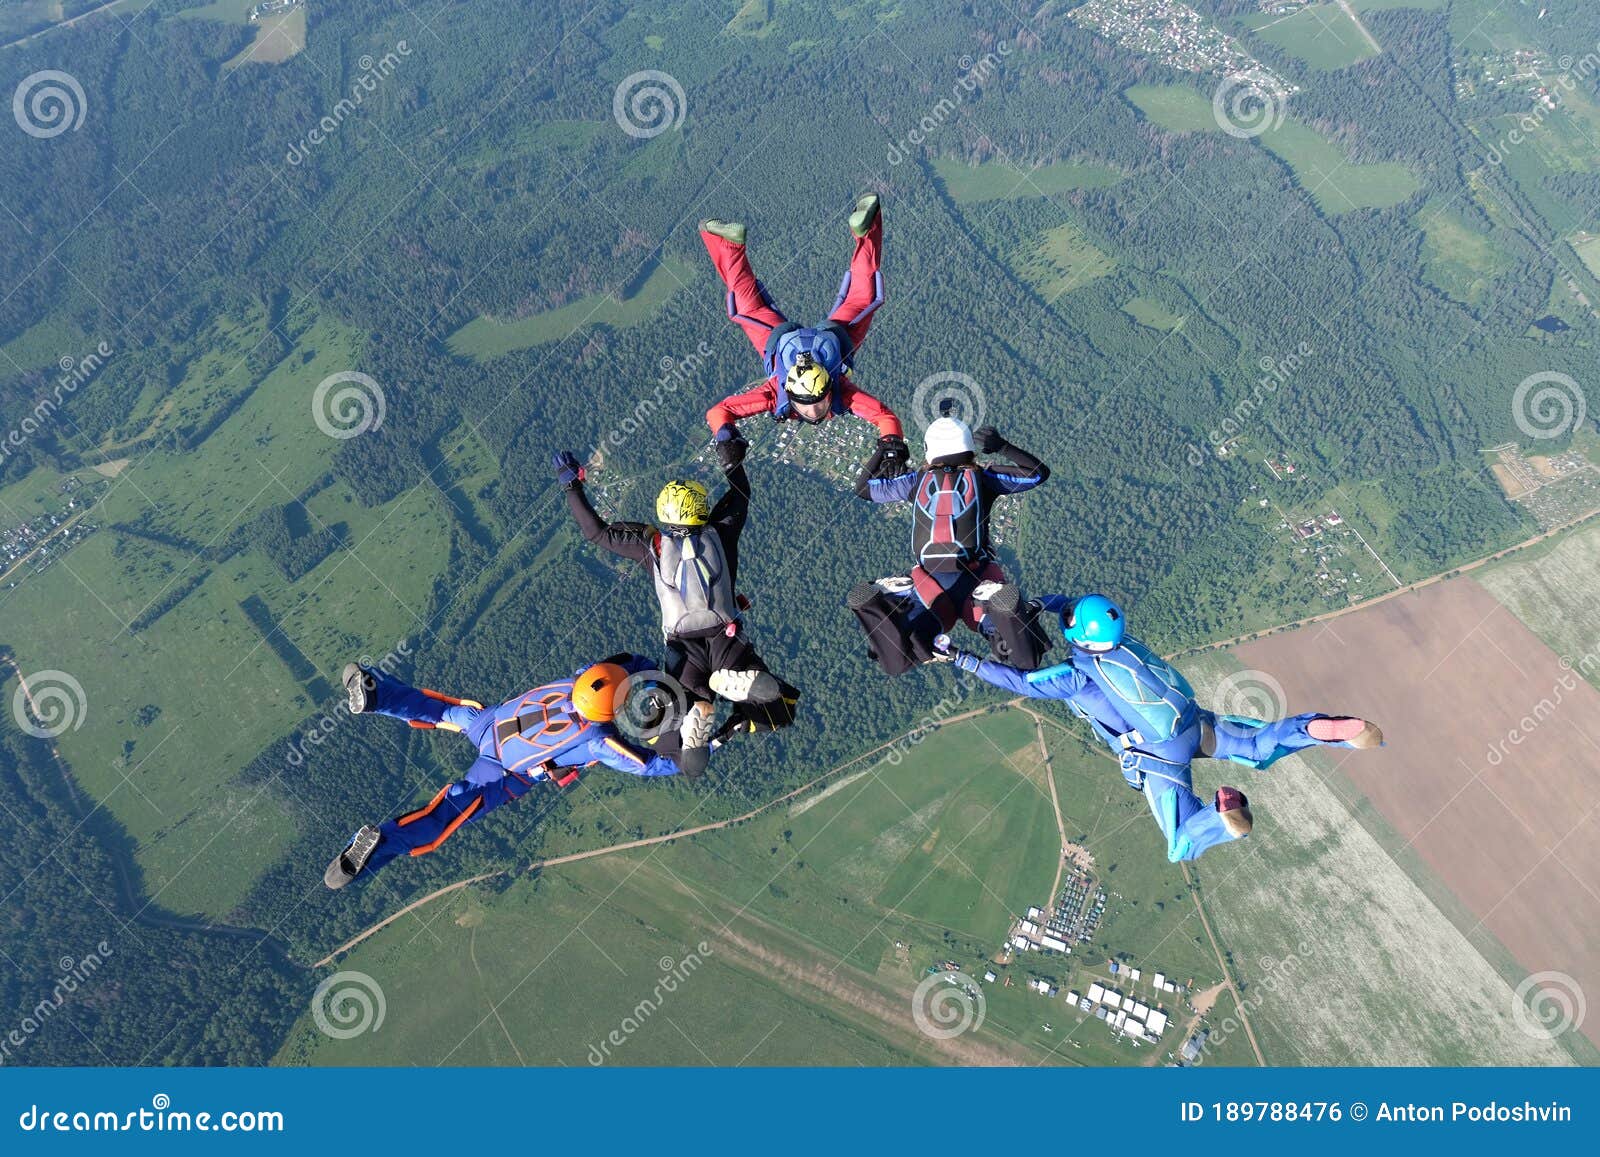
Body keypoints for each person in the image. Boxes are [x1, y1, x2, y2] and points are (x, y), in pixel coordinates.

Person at [933, 594, 1383, 862]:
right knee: (1258, 746)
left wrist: (961, 658)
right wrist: (1043, 604)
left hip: (1159, 753)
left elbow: (1023, 682)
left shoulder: (1077, 675)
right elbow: (1081, 609)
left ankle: (1222, 819)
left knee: (1180, 844)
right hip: (1194, 722)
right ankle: (1328, 729)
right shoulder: (1125, 642)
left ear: (1080, 637)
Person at [325, 657, 697, 888]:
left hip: (492, 722)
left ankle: (379, 695)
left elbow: (623, 663)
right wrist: (698, 749)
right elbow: (648, 765)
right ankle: (379, 849)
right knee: (449, 815)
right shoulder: (599, 740)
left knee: (438, 710)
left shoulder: (580, 678)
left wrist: (647, 670)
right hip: (505, 772)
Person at [554, 436, 798, 770]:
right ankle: (742, 680)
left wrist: (572, 487)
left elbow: (596, 533)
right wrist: (732, 461)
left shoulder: (651, 543)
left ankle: (693, 705)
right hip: (725, 635)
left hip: (683, 649)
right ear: (701, 508)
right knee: (780, 709)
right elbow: (740, 494)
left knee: (680, 750)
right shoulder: (721, 530)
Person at [699, 194, 908, 474]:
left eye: (816, 404)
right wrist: (890, 444)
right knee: (748, 307)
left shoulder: (779, 393)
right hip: (803, 338)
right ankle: (727, 243)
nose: (812, 412)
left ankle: (866, 231)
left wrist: (726, 438)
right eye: (811, 405)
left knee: (862, 297)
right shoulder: (825, 392)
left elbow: (885, 417)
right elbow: (718, 413)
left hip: (817, 337)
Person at [848, 415, 1052, 675]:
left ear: (929, 450)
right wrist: (1002, 446)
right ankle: (1000, 609)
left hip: (928, 586)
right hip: (977, 580)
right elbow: (1037, 473)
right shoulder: (984, 478)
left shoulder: (915, 481)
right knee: (1023, 658)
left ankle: (875, 605)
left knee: (900, 656)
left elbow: (863, 488)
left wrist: (883, 451)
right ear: (968, 448)